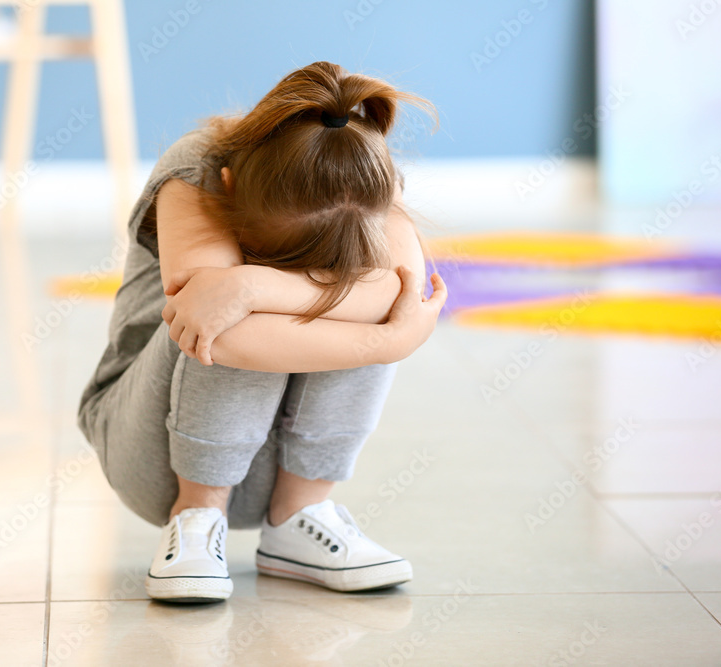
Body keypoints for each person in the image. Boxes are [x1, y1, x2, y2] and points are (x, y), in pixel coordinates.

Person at [77, 61, 446, 603]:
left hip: (274, 462)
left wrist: (253, 285)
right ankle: (197, 517)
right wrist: (391, 337)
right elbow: (218, 335)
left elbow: (399, 298)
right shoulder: (198, 170)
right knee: (228, 314)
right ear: (230, 188)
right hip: (156, 453)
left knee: (358, 307)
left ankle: (300, 514)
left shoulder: (361, 177)